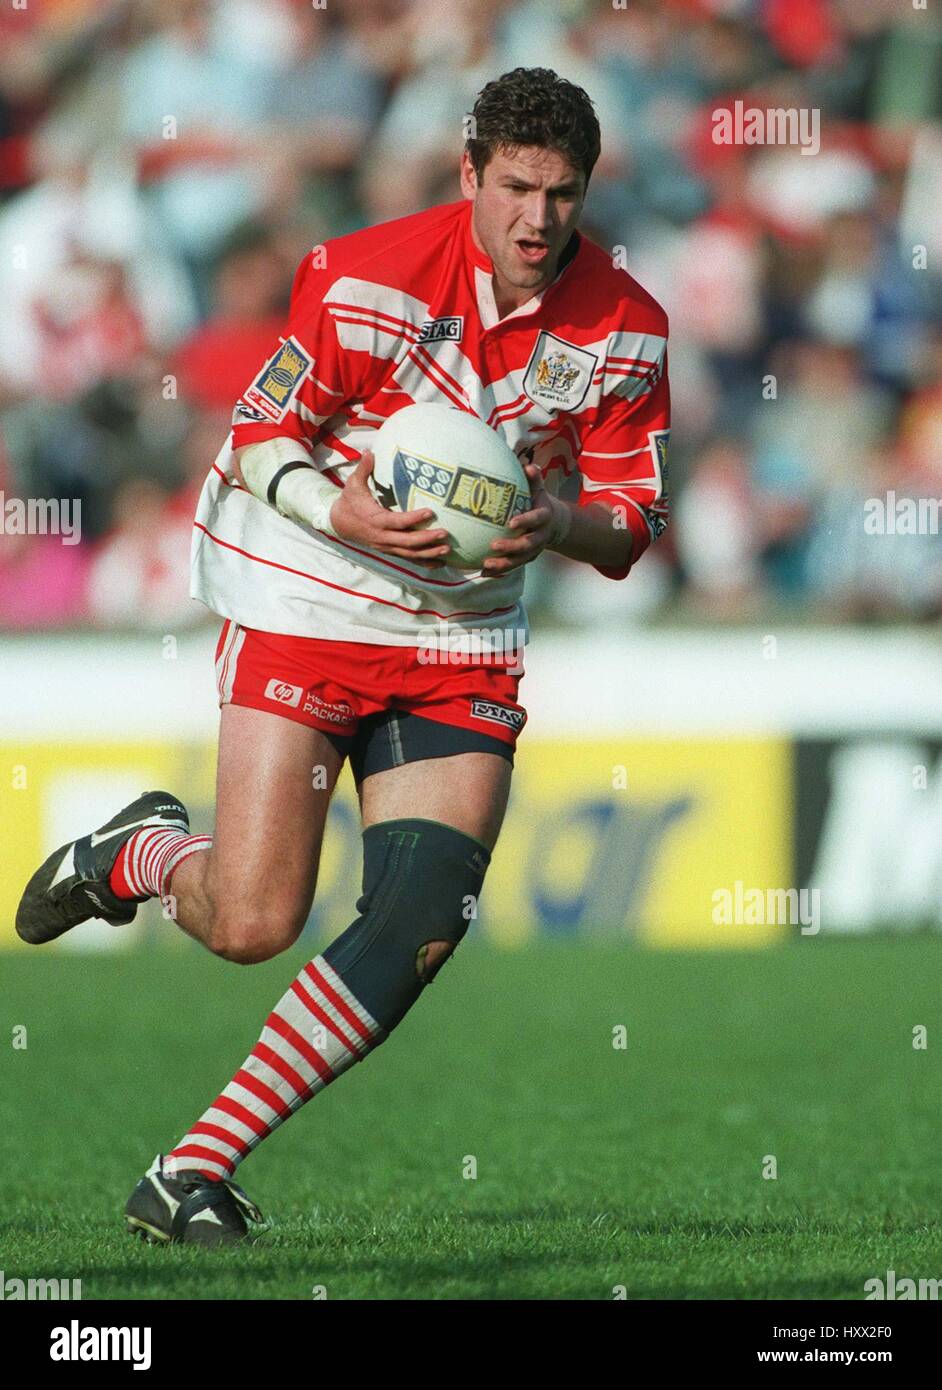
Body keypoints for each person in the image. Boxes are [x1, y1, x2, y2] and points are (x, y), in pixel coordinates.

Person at [16, 67, 670, 1245]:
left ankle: (187, 1172)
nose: (537, 219)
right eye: (515, 187)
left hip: (463, 630)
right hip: (312, 586)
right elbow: (264, 432)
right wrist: (344, 511)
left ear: (587, 191)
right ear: (469, 174)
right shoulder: (365, 272)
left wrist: (558, 523)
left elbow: (630, 520)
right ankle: (143, 852)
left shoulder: (627, 325)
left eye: (562, 194)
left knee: (422, 912)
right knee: (254, 920)